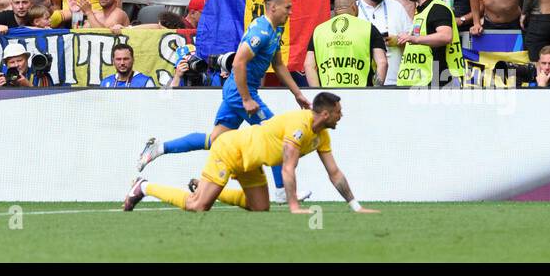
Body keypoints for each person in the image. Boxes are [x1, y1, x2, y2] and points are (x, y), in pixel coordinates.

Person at [137, 0, 309, 203]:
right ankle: (283, 191)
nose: (290, 12)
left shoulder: (276, 29)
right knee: (276, 136)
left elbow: (278, 64)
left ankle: (159, 148)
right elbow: (238, 62)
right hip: (240, 93)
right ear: (273, 7)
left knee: (215, 139)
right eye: (288, 7)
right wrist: (246, 99)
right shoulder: (261, 32)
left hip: (238, 91)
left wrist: (298, 94)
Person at [126, 92, 378, 215]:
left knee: (259, 208)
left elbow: (334, 172)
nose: (341, 115)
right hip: (230, 150)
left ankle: (202, 185)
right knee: (198, 206)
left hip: (251, 162)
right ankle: (144, 187)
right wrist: (294, 207)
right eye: (338, 112)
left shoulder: (322, 135)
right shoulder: (299, 126)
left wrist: (355, 206)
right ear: (325, 114)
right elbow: (287, 168)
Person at [395, 0, 464, 88]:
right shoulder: (423, 10)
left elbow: (445, 36)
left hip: (436, 82)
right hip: (421, 82)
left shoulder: (438, 8)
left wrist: (414, 39)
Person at [304, 0, 388, 87]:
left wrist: (318, 93)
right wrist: (376, 90)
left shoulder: (319, 30)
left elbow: (308, 65)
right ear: (354, 8)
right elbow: (382, 62)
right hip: (362, 95)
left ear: (335, 10)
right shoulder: (368, 28)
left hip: (329, 96)